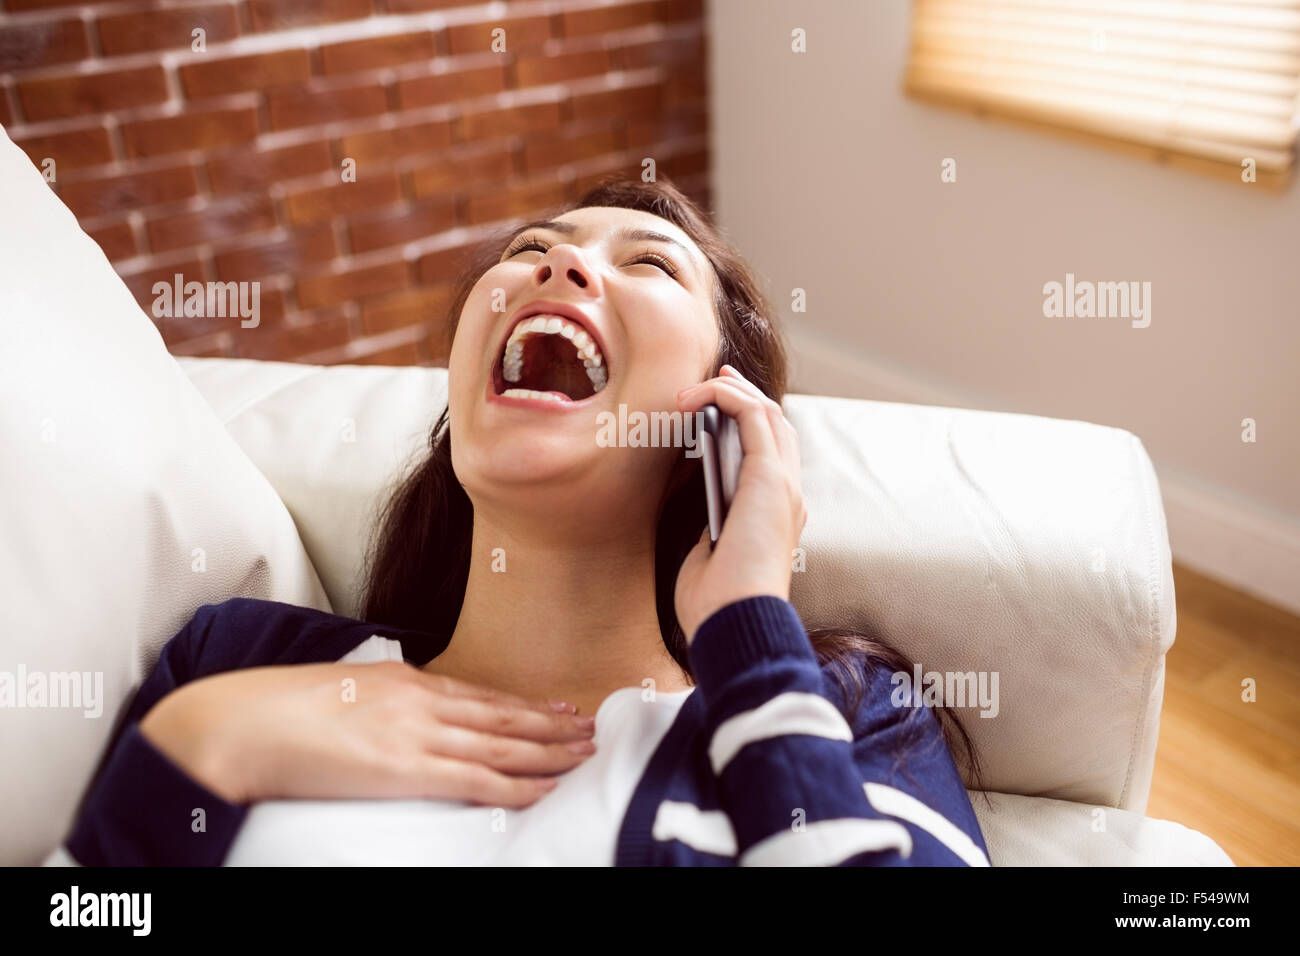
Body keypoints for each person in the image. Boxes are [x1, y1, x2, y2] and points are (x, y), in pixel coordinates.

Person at [49, 176, 990, 866]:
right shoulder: (239, 663)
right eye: (531, 249)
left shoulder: (839, 717)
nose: (563, 261)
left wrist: (748, 624)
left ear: (715, 428)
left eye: (649, 264)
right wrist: (202, 746)